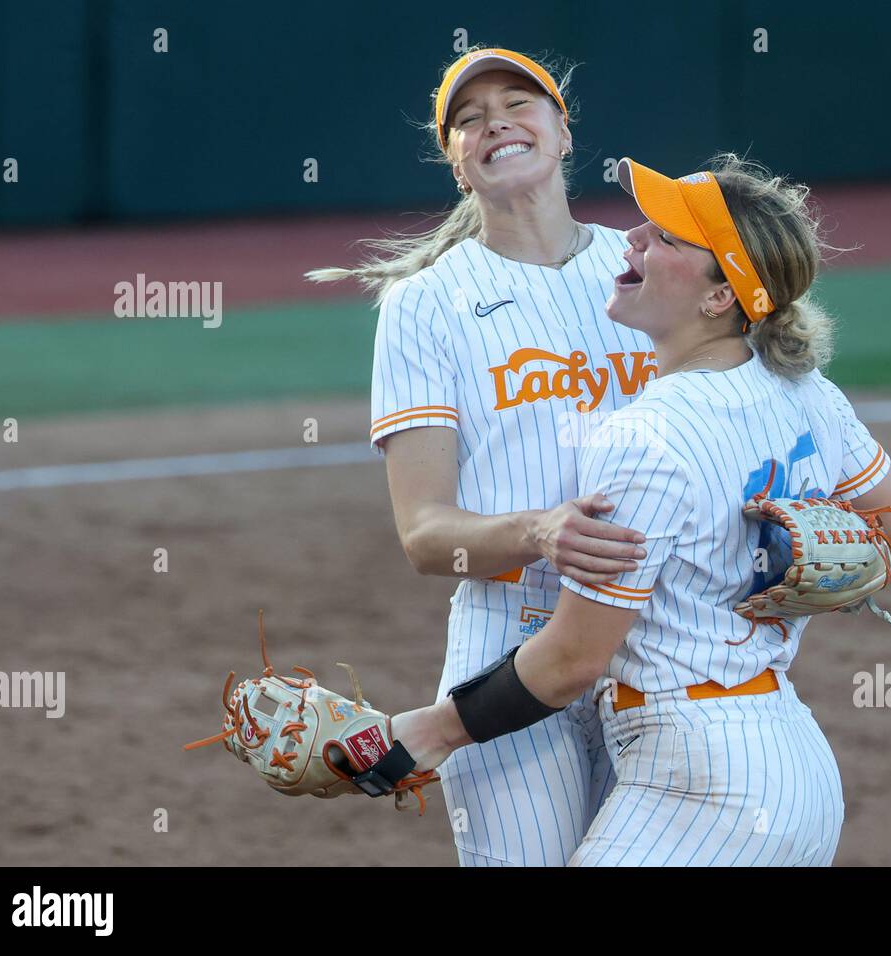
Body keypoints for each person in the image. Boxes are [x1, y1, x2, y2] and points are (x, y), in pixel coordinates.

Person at [382, 153, 891, 866]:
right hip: (795, 766)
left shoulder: (644, 436)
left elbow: (573, 660)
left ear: (717, 298)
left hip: (700, 788)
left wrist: (431, 729)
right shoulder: (804, 391)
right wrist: (776, 570)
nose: (635, 237)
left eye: (668, 238)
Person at [309, 48, 658, 867]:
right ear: (458, 166)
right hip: (507, 648)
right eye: (468, 118)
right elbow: (427, 535)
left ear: (564, 131)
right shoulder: (426, 304)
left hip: (659, 637)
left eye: (519, 101)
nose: (495, 120)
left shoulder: (653, 266)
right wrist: (542, 531)